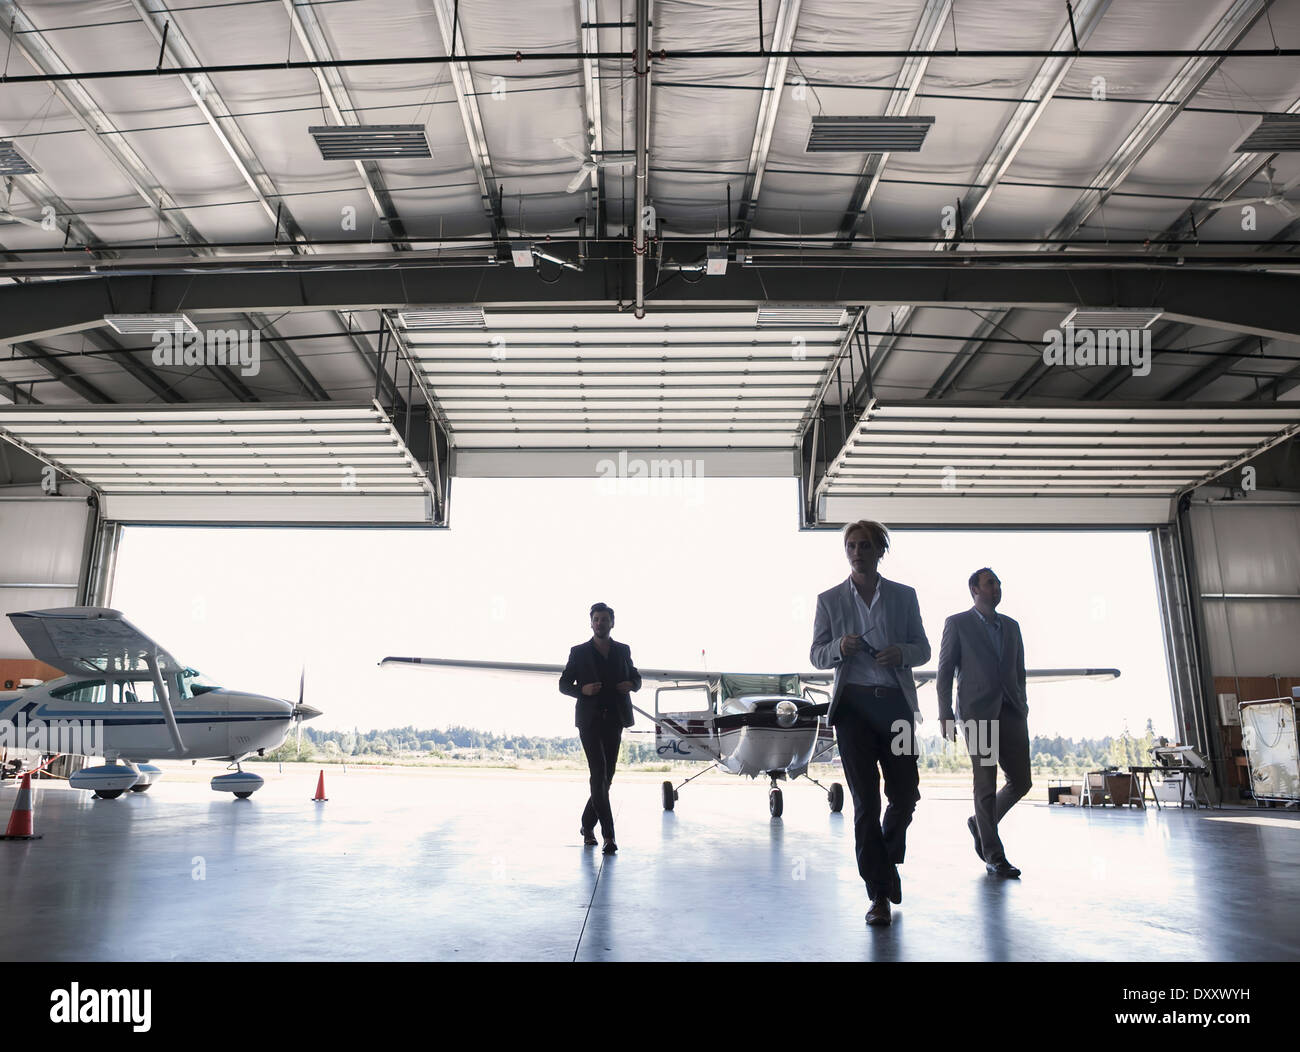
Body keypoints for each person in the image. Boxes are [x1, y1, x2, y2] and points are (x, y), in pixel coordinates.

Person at [811, 520, 930, 927]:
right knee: (866, 802)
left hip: (895, 708)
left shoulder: (904, 596)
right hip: (854, 712)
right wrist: (837, 648)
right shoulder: (828, 600)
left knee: (906, 795)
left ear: (880, 550)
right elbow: (816, 655)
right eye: (851, 546)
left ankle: (884, 861)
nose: (857, 551)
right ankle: (878, 894)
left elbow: (924, 649)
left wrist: (901, 653)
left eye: (864, 545)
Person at [936, 568, 1030, 879]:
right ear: (974, 589)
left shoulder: (1012, 627)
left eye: (999, 583)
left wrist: (1023, 704)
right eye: (990, 583)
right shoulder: (958, 624)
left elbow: (1019, 671)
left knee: (1023, 781)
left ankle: (980, 823)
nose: (997, 588)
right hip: (978, 715)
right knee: (986, 784)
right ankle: (994, 854)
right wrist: (945, 713)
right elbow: (945, 672)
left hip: (1012, 711)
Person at [559, 602, 641, 855]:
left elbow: (637, 678)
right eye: (596, 619)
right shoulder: (579, 652)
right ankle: (608, 836)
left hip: (615, 719)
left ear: (611, 623)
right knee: (598, 773)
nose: (600, 623)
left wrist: (631, 684)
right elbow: (563, 684)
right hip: (589, 721)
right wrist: (581, 690)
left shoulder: (623, 650)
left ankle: (586, 825)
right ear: (591, 622)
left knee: (608, 776)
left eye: (604, 619)